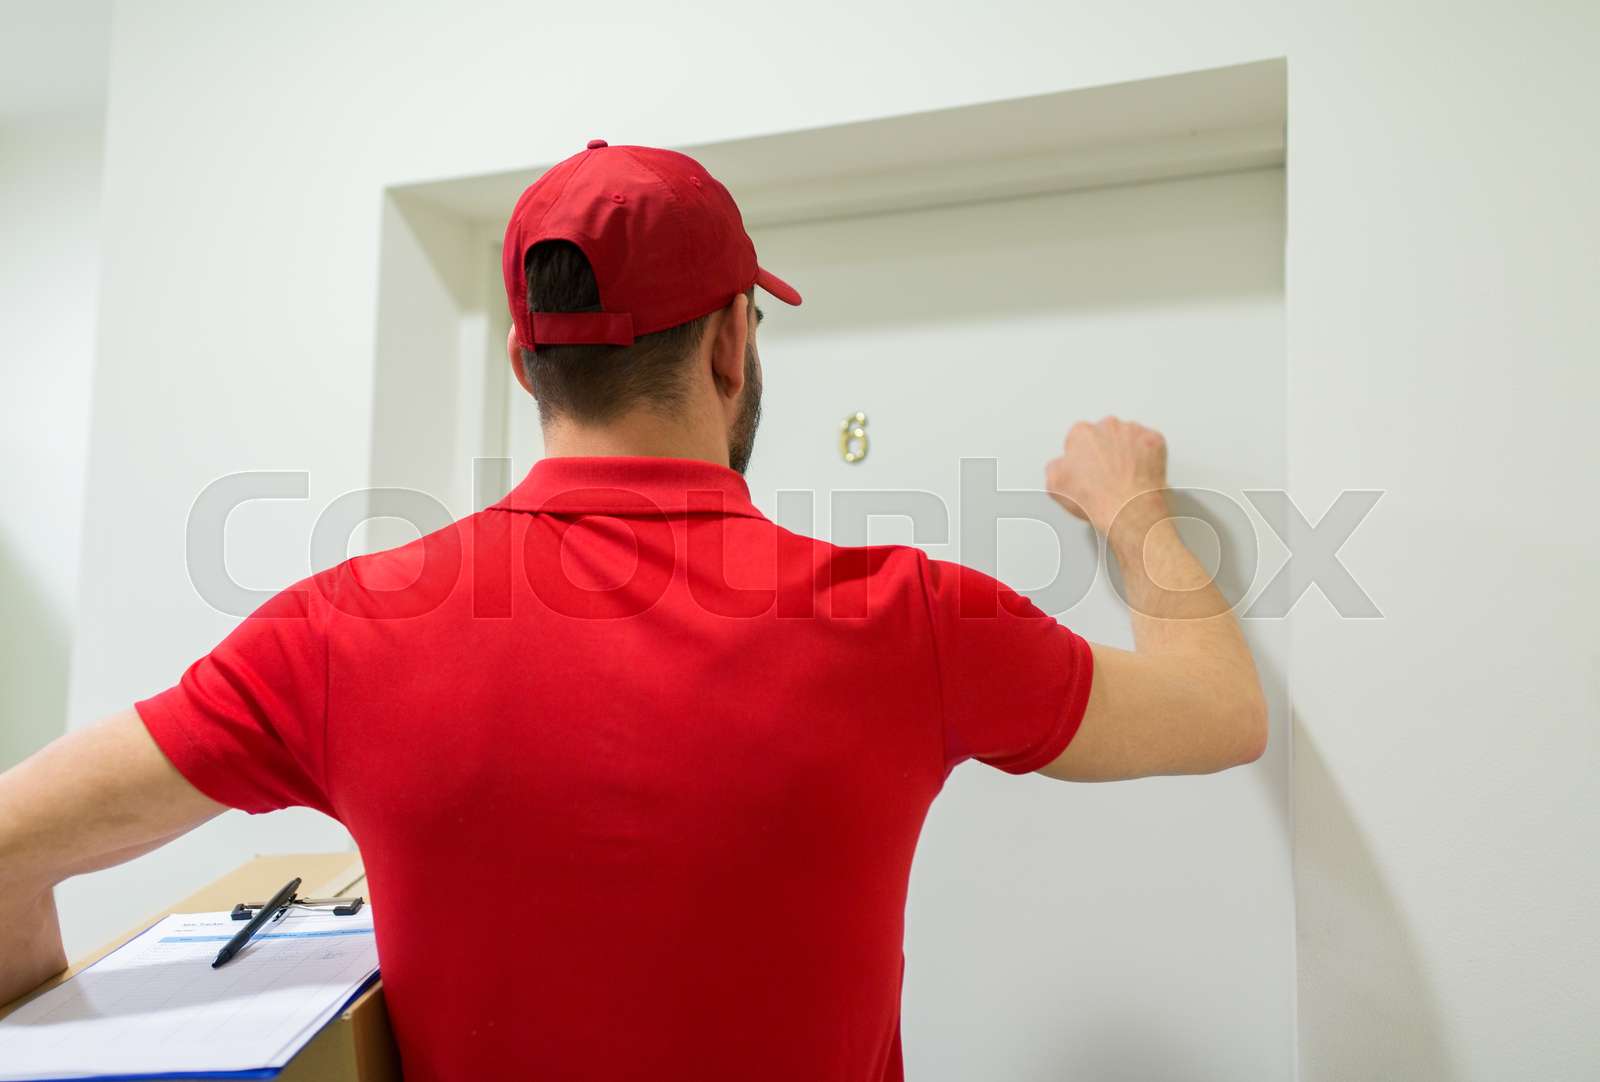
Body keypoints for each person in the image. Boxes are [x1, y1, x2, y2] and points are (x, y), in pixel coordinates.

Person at [0, 140, 1266, 1080]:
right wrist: (1130, 507)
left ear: (526, 361)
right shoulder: (909, 618)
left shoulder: (340, 628)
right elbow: (1220, 712)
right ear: (730, 344)